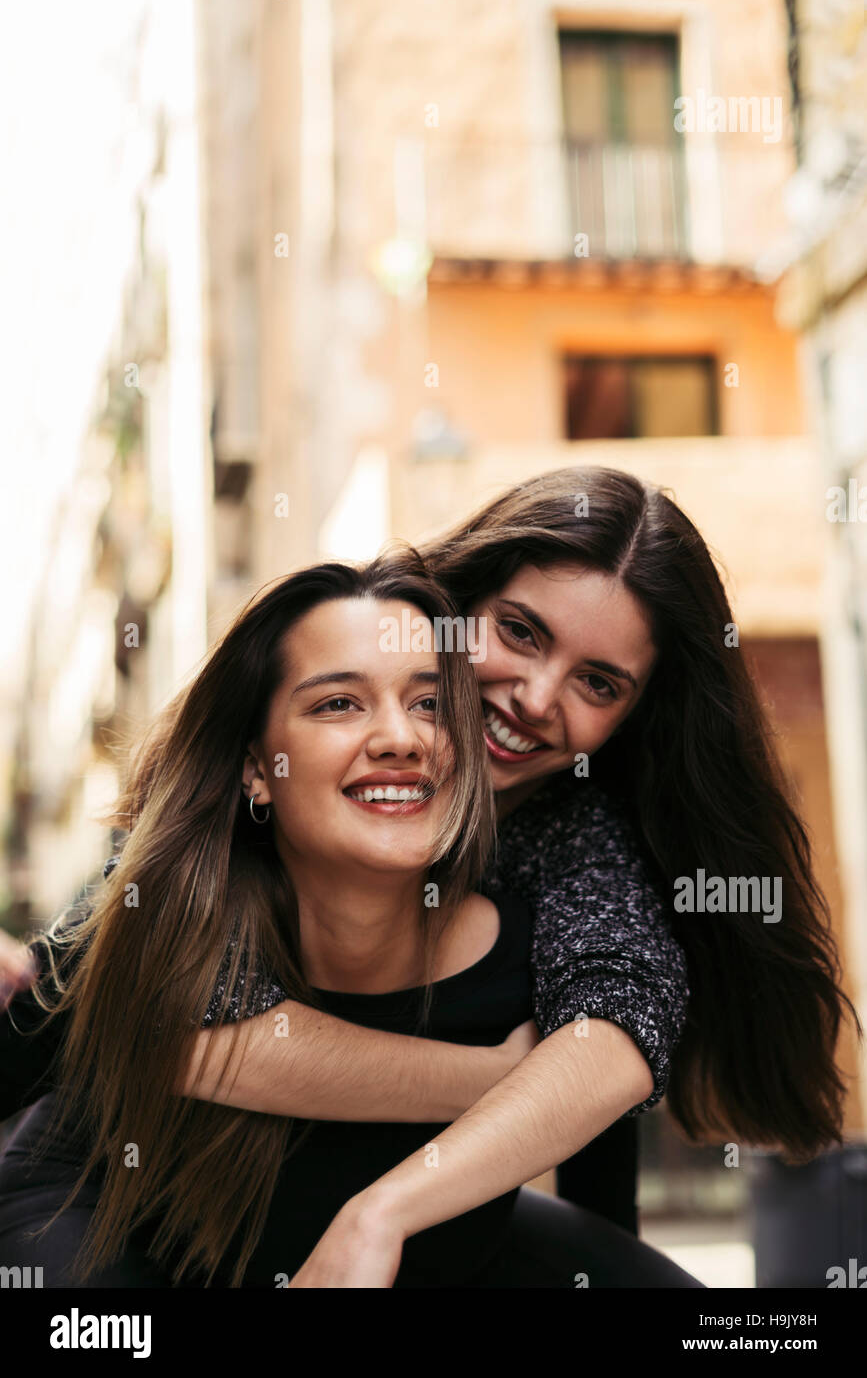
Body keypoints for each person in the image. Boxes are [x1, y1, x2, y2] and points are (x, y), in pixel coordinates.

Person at [0, 550, 703, 1288]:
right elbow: (158, 1036)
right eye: (337, 702)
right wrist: (502, 1078)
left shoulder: (567, 896)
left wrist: (527, 1102)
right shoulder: (177, 890)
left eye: (430, 705)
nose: (400, 737)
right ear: (253, 768)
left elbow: (602, 1074)